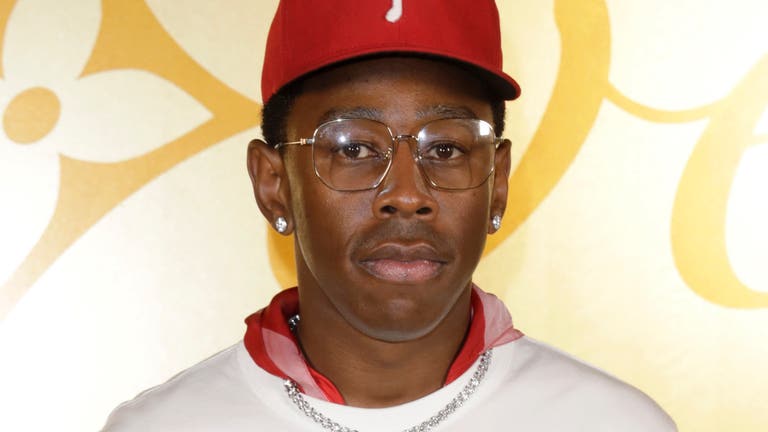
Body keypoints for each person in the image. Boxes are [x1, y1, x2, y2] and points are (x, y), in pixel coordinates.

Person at [103, 0, 677, 430]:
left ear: (497, 183)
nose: (406, 193)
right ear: (274, 185)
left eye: (446, 148)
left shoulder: (612, 423)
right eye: (354, 147)